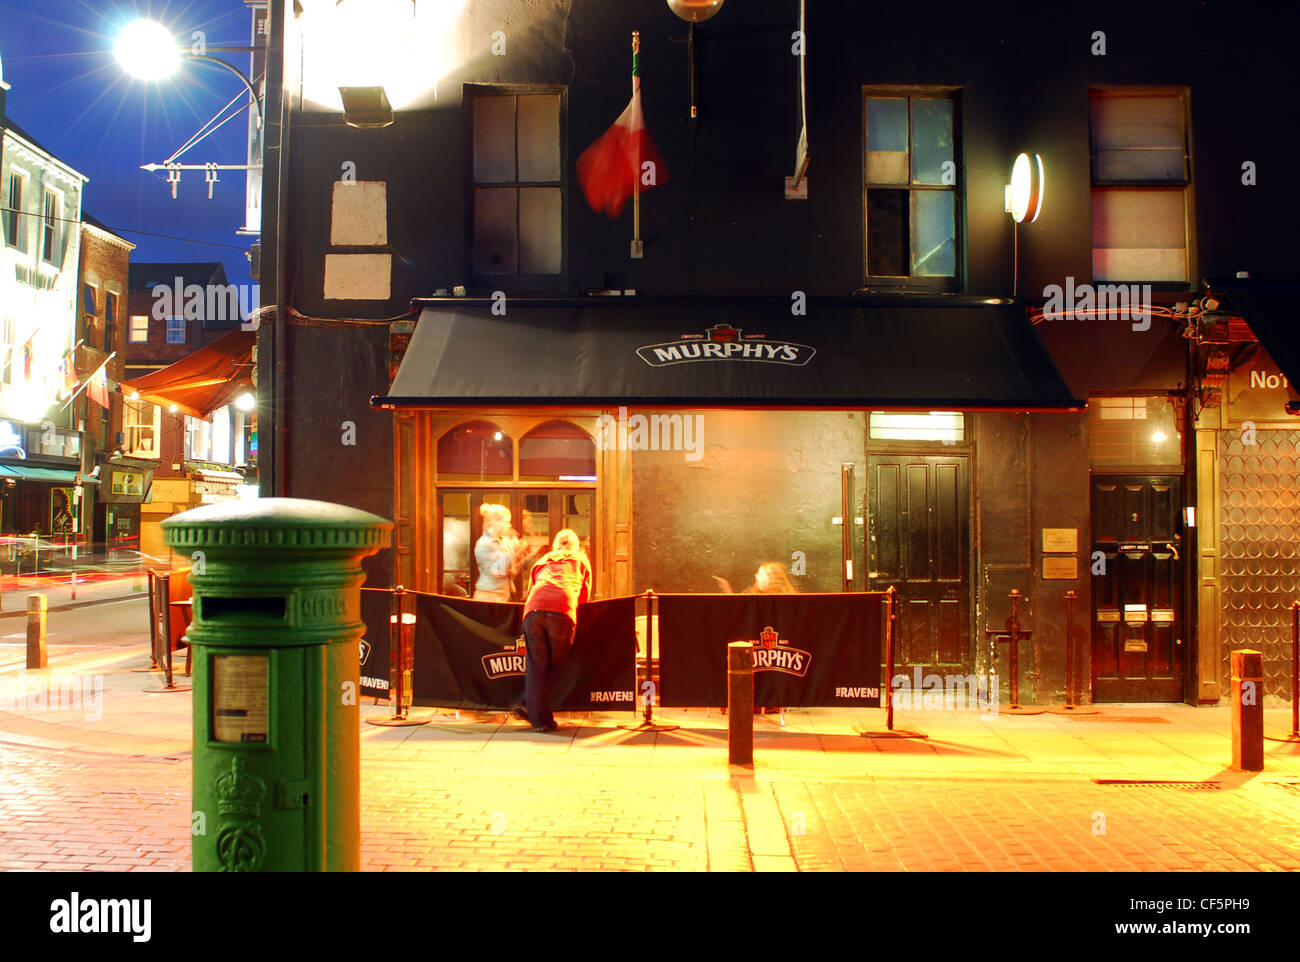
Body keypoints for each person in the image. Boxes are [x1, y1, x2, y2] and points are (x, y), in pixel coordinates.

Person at [516, 529, 591, 733]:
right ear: (577, 546)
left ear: (555, 545)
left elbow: (530, 589)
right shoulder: (580, 560)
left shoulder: (543, 560)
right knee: (556, 666)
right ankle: (528, 705)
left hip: (533, 610)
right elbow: (584, 597)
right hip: (561, 610)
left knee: (535, 667)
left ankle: (540, 719)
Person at [472, 503, 514, 602]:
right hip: (489, 596)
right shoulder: (485, 543)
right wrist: (514, 549)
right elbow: (498, 572)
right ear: (495, 522)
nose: (509, 525)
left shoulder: (501, 542)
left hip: (499, 595)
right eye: (506, 522)